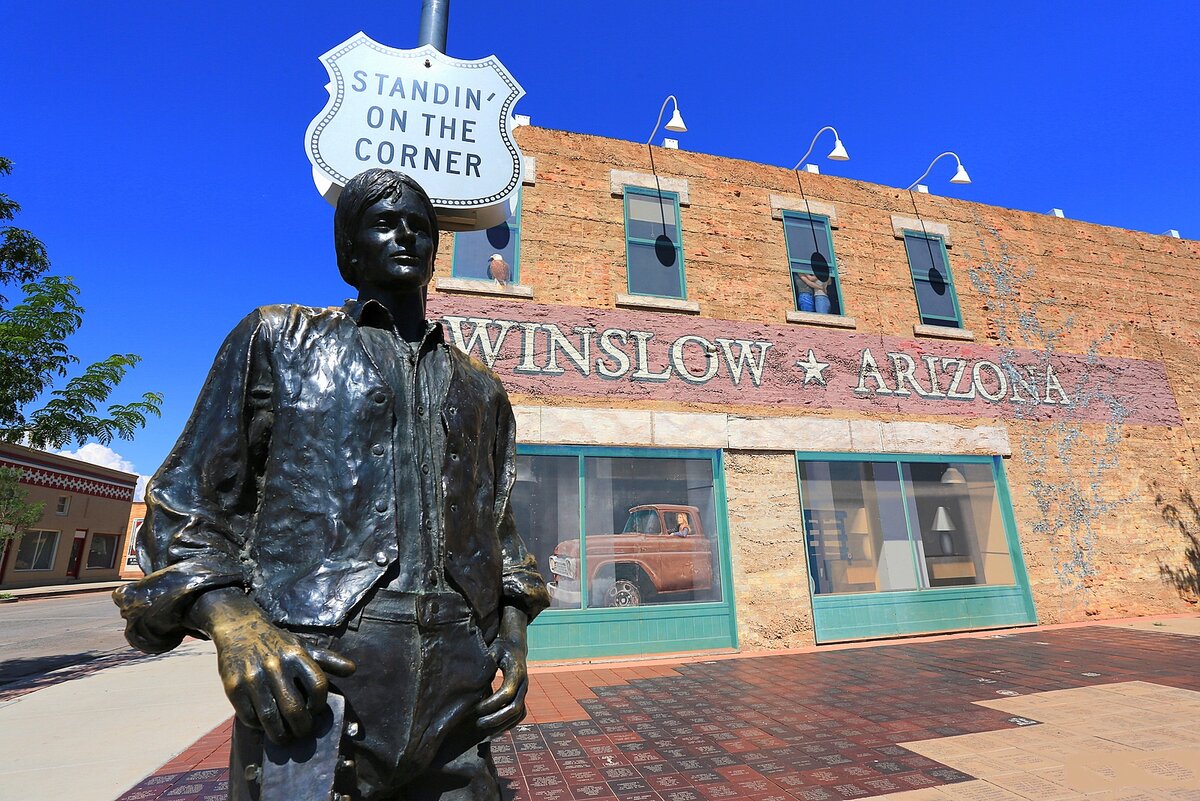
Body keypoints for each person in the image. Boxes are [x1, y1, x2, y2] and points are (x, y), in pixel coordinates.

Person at [114, 169, 549, 801]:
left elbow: (500, 536)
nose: (407, 236)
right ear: (348, 248)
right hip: (316, 685)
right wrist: (233, 621)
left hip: (458, 693)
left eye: (421, 227)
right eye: (384, 222)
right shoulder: (278, 340)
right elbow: (185, 503)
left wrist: (511, 633)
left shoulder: (480, 388)